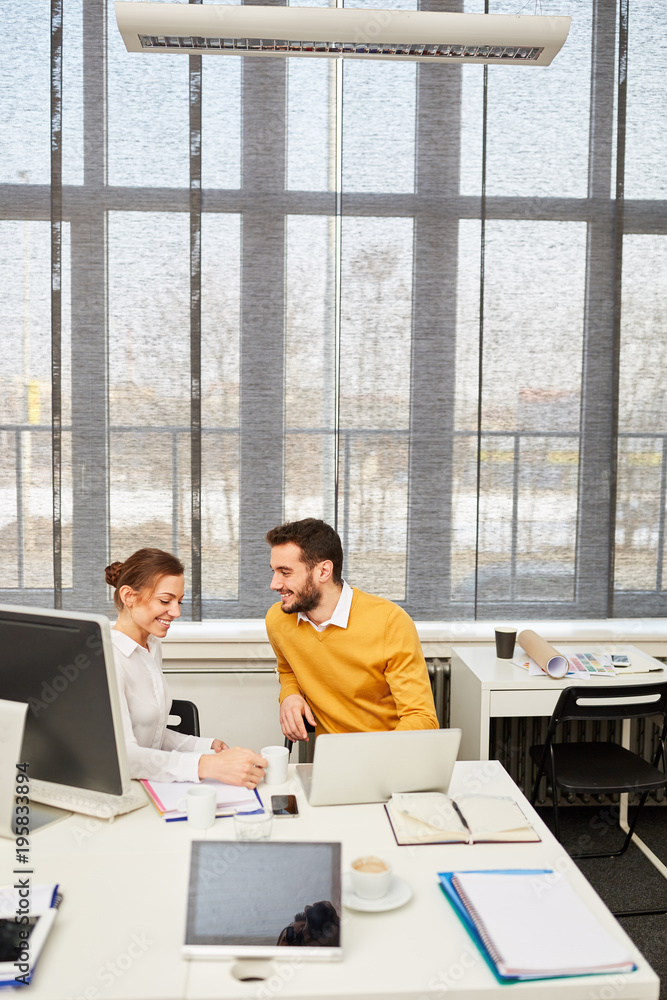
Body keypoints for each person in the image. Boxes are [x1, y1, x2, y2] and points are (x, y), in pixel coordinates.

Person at [265, 518, 438, 741]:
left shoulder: (390, 622)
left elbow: (421, 717)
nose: (274, 584)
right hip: (333, 760)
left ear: (324, 571)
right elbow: (287, 668)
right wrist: (290, 695)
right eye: (274, 571)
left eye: (285, 572)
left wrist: (373, 758)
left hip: (390, 755)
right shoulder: (278, 619)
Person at [106, 548, 266, 786]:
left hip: (149, 782)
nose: (176, 612)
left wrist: (202, 746)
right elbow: (123, 756)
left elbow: (147, 732)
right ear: (129, 596)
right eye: (165, 600)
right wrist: (207, 765)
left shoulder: (152, 646)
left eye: (179, 601)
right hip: (123, 788)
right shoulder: (109, 659)